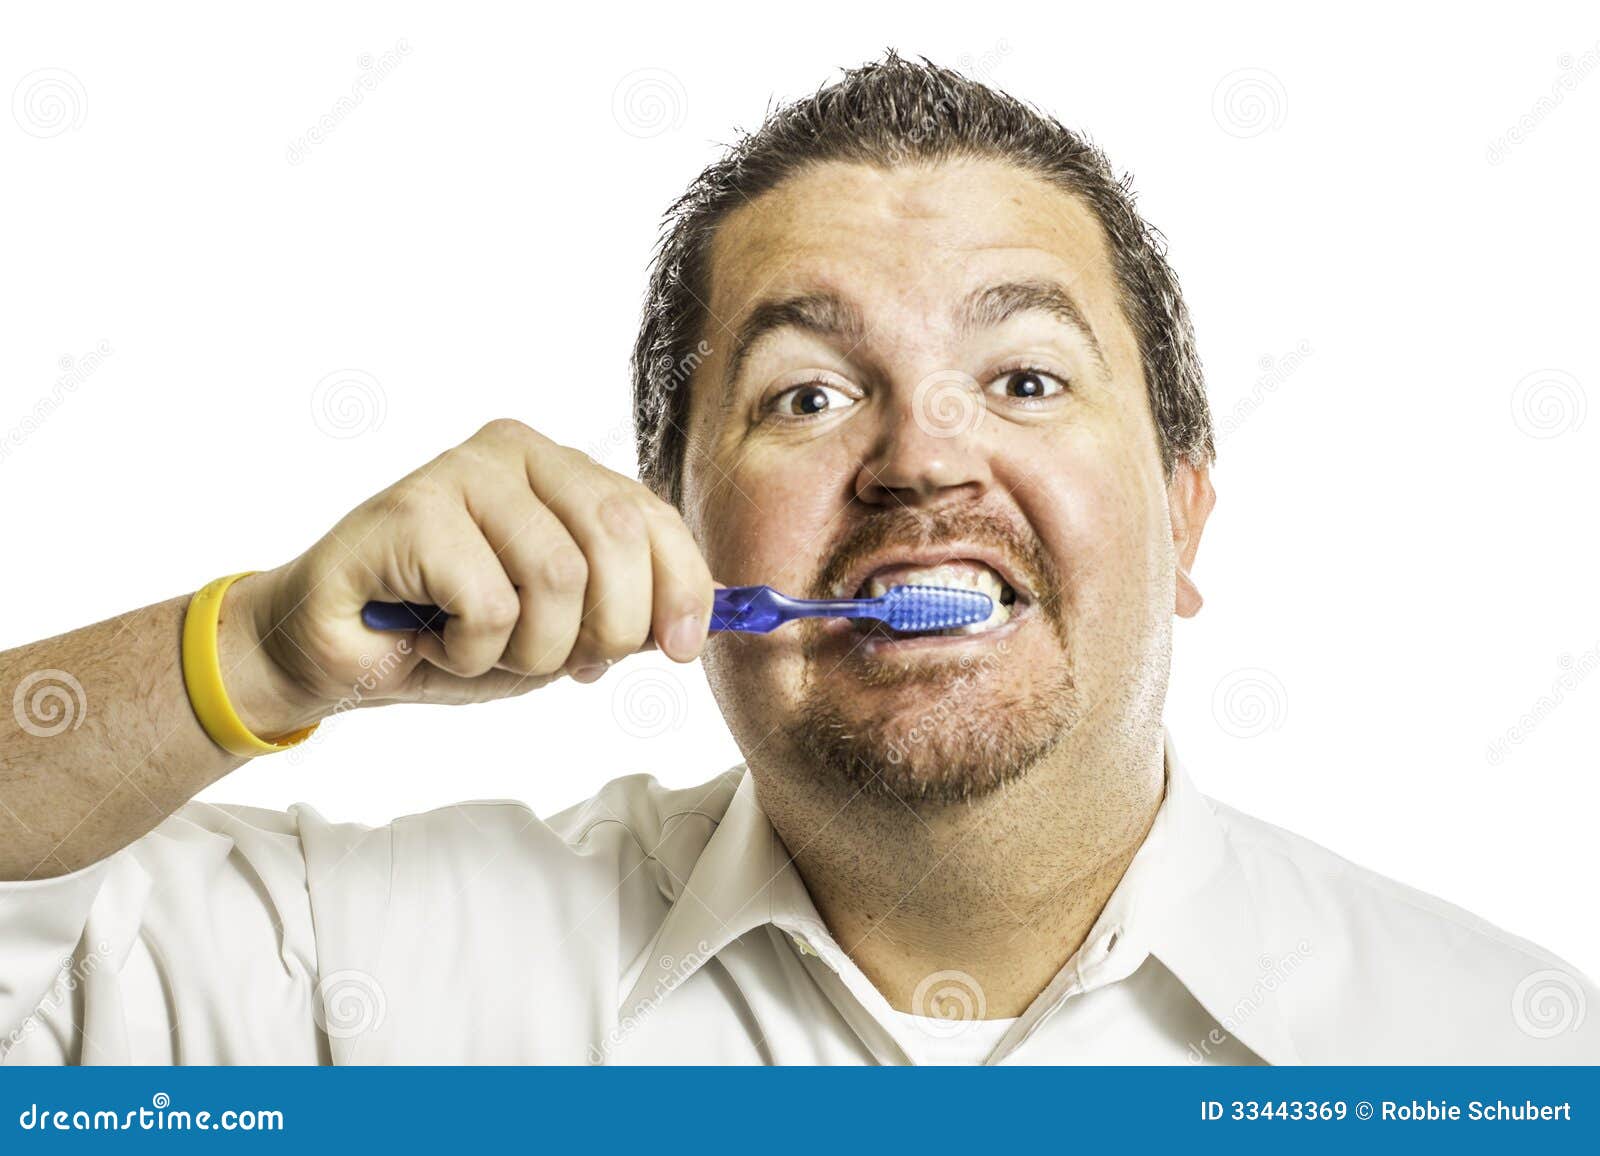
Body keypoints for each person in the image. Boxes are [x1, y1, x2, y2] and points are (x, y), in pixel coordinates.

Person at [2, 53, 1594, 1066]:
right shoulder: (361, 986)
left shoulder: (1506, 1065)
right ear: (673, 530)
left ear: (1184, 518)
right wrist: (260, 653)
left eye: (1026, 379)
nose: (921, 457)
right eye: (808, 396)